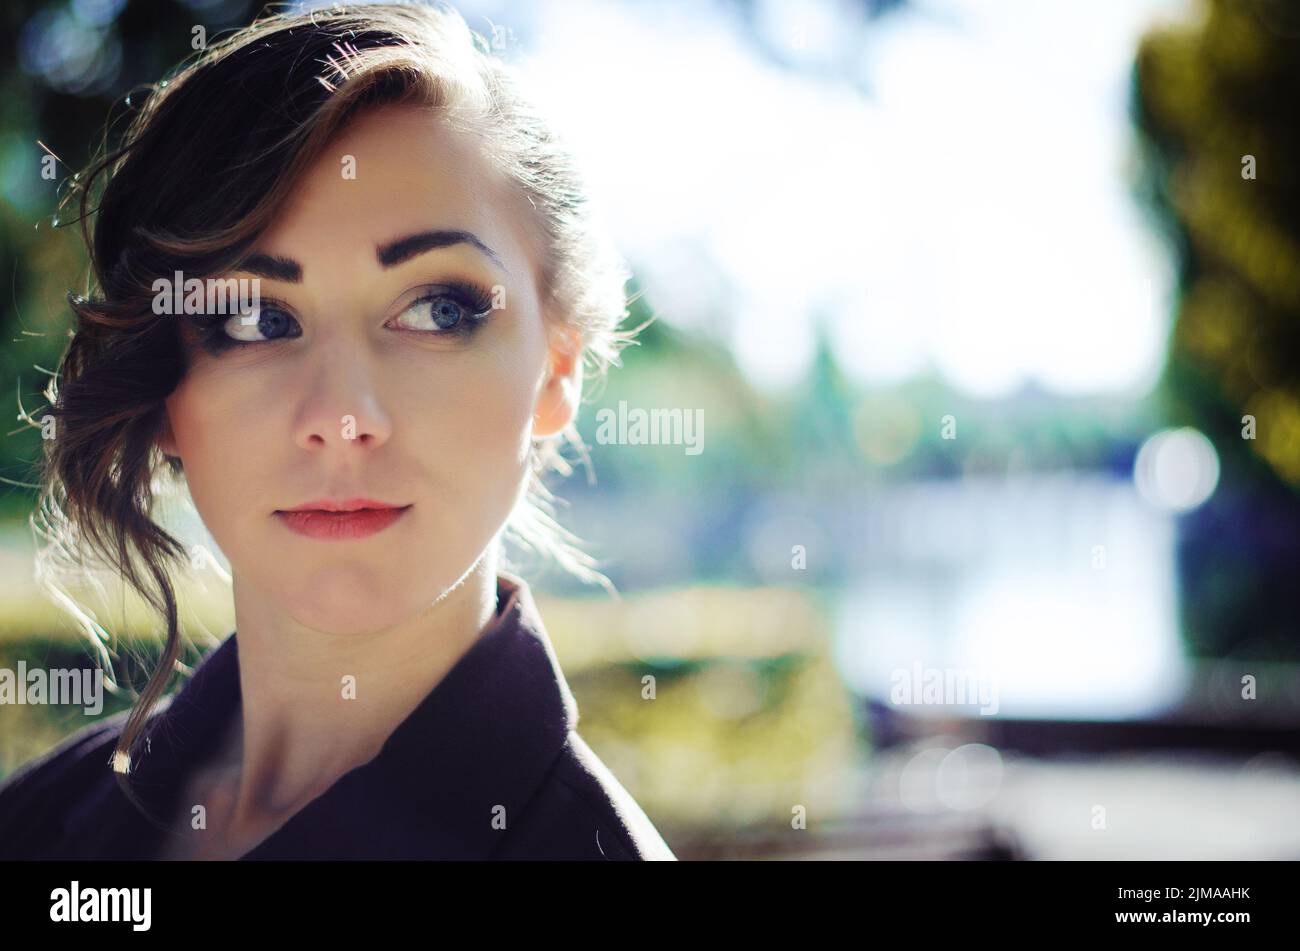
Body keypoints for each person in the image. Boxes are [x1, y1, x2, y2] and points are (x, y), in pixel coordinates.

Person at [0, 1, 672, 861]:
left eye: (437, 310)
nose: (341, 418)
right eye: (251, 320)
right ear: (168, 390)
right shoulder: (37, 823)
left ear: (556, 373)